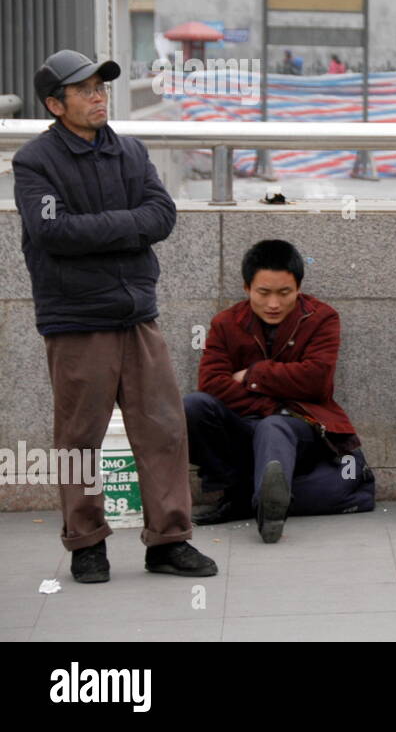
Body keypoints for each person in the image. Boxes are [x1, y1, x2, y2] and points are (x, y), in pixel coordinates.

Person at [13, 49, 217, 583]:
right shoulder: (35, 161)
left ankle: (169, 541)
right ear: (56, 104)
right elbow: (53, 232)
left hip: (137, 313)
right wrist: (129, 227)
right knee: (80, 438)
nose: (99, 96)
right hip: (78, 319)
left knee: (165, 429)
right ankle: (86, 544)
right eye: (84, 90)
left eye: (101, 87)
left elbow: (163, 215)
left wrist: (103, 228)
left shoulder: (130, 151)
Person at [183, 240, 375, 543]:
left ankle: (267, 512)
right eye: (264, 293)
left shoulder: (322, 318)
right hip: (245, 428)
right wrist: (277, 400)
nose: (274, 303)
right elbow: (212, 384)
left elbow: (316, 381)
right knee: (194, 406)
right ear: (247, 288)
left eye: (284, 293)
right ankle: (243, 491)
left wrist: (252, 375)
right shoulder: (225, 323)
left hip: (303, 429)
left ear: (298, 288)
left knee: (274, 428)